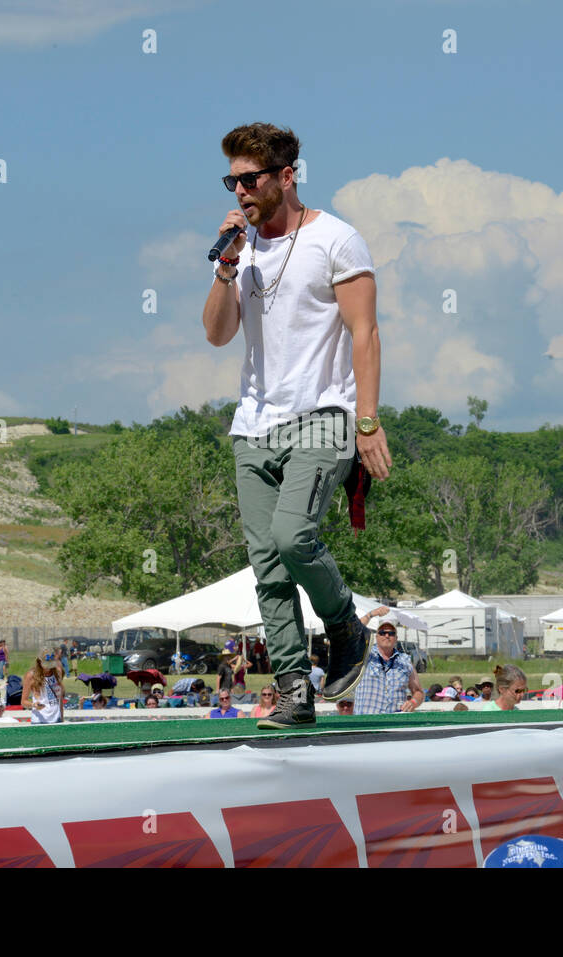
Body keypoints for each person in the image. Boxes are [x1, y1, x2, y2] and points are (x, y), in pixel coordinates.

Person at [204, 123, 390, 730]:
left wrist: (367, 421)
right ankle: (293, 691)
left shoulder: (336, 239)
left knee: (292, 537)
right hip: (253, 425)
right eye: (231, 180)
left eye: (250, 179)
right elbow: (216, 332)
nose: (240, 192)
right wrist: (226, 266)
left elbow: (365, 332)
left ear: (287, 176)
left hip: (323, 416)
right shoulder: (243, 247)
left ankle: (344, 626)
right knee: (267, 565)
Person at [353, 621, 423, 715]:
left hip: (396, 724)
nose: (387, 636)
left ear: (396, 638)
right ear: (376, 637)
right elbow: (352, 632)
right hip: (366, 724)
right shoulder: (364, 656)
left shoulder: (405, 661)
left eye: (391, 633)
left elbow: (418, 692)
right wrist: (371, 615)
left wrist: (413, 703)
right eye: (382, 633)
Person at [24, 658, 64, 724]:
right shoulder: (31, 675)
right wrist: (33, 705)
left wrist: (61, 719)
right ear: (40, 661)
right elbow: (23, 702)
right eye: (46, 661)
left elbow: (60, 699)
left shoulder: (57, 672)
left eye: (50, 661)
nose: (48, 665)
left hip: (57, 720)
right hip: (39, 721)